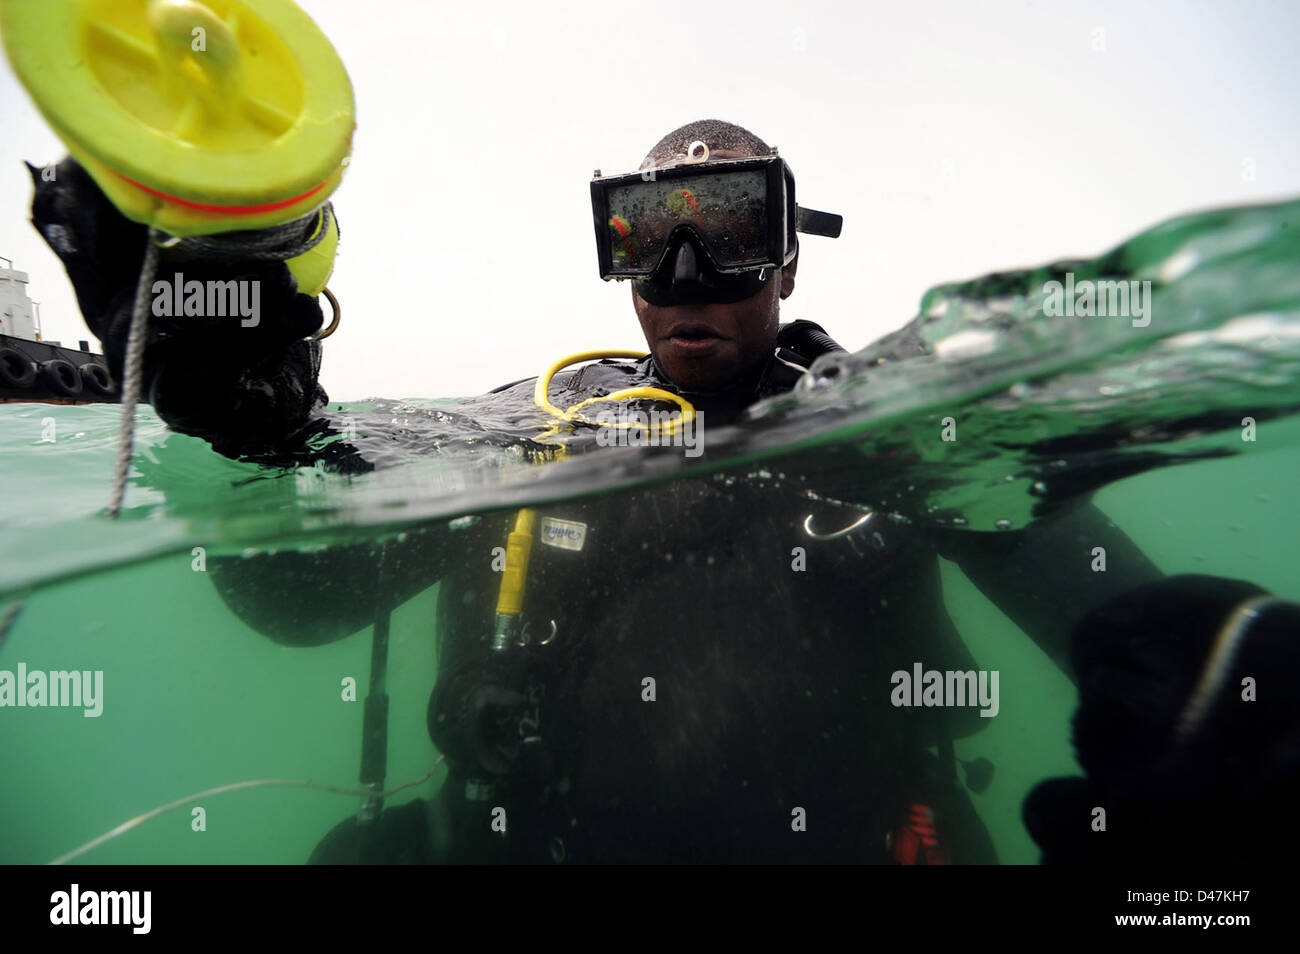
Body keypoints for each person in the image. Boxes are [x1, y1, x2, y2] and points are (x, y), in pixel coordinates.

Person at [27, 119, 1294, 864]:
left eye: (730, 226)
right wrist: (241, 419)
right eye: (650, 233)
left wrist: (1226, 694)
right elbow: (297, 599)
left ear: (788, 251)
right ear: (617, 259)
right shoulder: (529, 432)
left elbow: (1130, 630)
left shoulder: (896, 439)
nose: (689, 270)